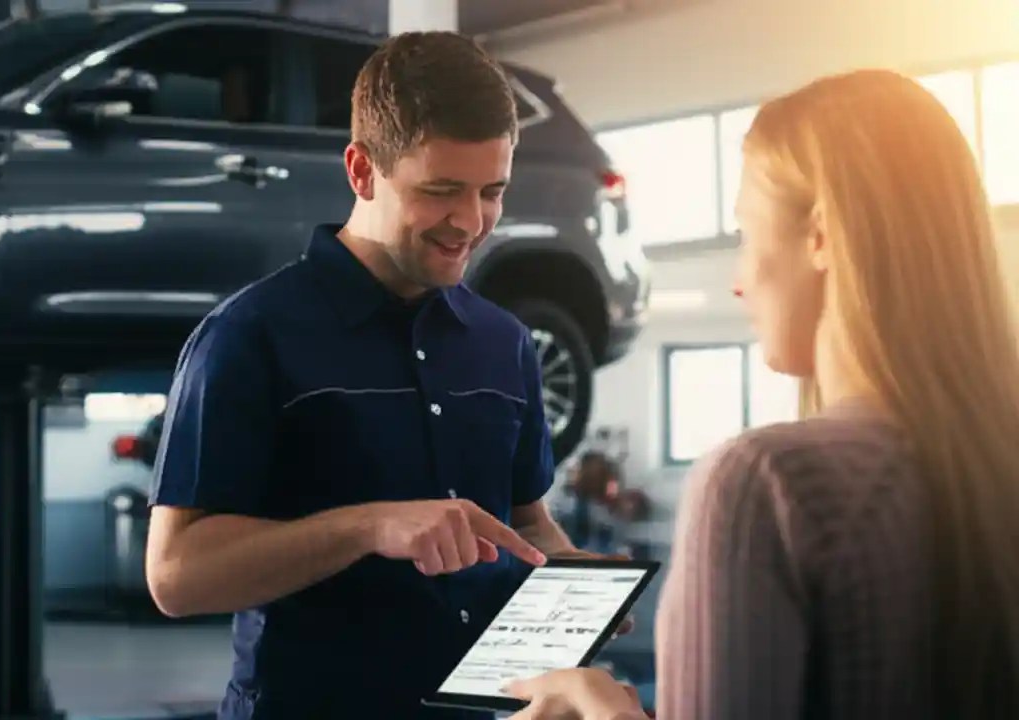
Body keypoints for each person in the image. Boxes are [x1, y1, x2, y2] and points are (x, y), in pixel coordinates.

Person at [502, 68, 1019, 719]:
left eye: (747, 233)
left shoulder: (764, 482)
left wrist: (602, 708)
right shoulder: (996, 465)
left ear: (822, 234)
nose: (738, 283)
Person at [145, 31, 587, 720]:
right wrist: (367, 527)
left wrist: (574, 582)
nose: (469, 223)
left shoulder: (506, 345)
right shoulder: (248, 336)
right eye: (440, 192)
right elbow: (175, 577)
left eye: (491, 191)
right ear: (361, 171)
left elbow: (527, 524)